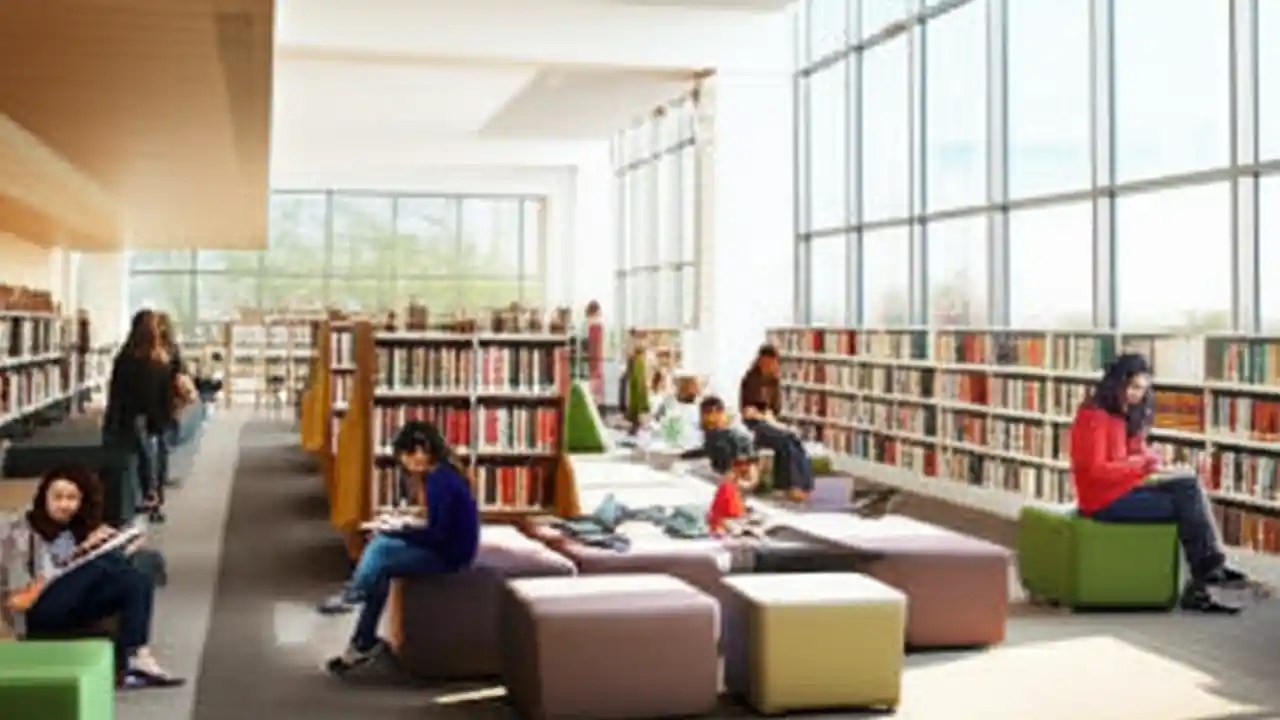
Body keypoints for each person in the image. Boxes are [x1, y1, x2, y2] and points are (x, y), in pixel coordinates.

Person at [1070, 353, 1249, 614]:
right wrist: (1143, 464)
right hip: (1102, 501)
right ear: (1116, 383)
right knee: (1187, 508)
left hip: (1126, 488)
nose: (1137, 395)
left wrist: (1154, 463)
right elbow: (1098, 471)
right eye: (1132, 387)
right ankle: (1204, 576)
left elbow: (1138, 453)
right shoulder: (1093, 416)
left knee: (1188, 485)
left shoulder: (1127, 414)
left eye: (1143, 389)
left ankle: (1207, 570)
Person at [318, 420, 481, 674]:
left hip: (450, 555)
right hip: (450, 547)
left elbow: (438, 535)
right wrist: (405, 527)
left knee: (381, 547)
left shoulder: (440, 481)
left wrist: (402, 532)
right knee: (380, 562)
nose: (404, 463)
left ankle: (354, 597)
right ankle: (362, 642)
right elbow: (438, 524)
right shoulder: (443, 474)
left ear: (422, 450)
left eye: (405, 455)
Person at [0, 467, 183, 689]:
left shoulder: (74, 531)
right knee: (105, 562)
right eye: (57, 497)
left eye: (72, 499)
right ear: (44, 498)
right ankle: (133, 658)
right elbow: (17, 597)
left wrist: (108, 547)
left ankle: (136, 655)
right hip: (37, 611)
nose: (64, 504)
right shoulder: (21, 533)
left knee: (136, 578)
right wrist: (58, 572)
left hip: (71, 603)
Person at [102, 310, 174, 522]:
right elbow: (164, 394)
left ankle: (148, 495)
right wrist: (164, 419)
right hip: (153, 419)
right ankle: (155, 496)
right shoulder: (159, 359)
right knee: (154, 456)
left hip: (131, 419)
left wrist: (111, 422)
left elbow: (117, 393)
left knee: (144, 456)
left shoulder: (125, 358)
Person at [739, 344, 814, 502]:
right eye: (765, 362)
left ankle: (804, 485)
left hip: (770, 421)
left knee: (794, 439)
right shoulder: (749, 381)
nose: (769, 365)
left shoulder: (774, 382)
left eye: (772, 362)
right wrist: (763, 415)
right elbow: (747, 411)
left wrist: (771, 418)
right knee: (785, 440)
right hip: (754, 425)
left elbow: (775, 409)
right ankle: (791, 485)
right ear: (759, 361)